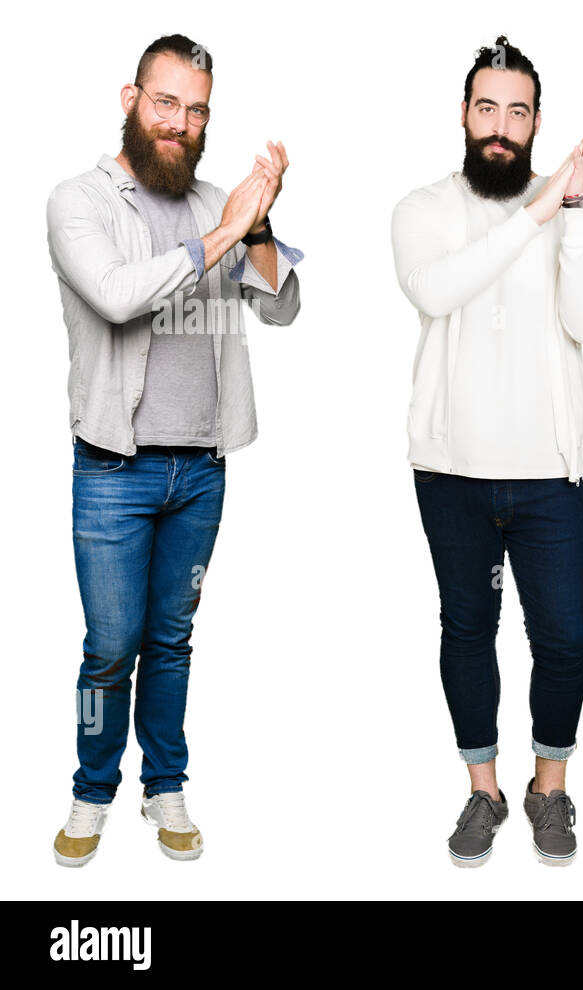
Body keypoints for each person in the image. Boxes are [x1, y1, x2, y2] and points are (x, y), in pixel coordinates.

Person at [47, 34, 303, 867]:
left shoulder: (219, 204)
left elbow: (280, 306)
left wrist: (255, 223)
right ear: (131, 99)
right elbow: (119, 298)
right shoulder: (79, 201)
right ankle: (92, 792)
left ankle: (166, 784)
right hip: (113, 471)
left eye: (196, 110)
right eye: (166, 103)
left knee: (172, 637)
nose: (180, 124)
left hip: (200, 470)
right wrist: (224, 233)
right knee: (108, 646)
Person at [391, 35, 583, 868]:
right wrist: (539, 212)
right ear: (463, 114)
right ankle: (482, 790)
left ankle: (548, 789)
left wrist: (580, 210)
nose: (500, 125)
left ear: (535, 122)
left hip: (549, 477)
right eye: (486, 107)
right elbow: (436, 289)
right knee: (467, 628)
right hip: (452, 476)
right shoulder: (424, 209)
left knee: (564, 638)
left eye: (516, 111)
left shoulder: (574, 210)